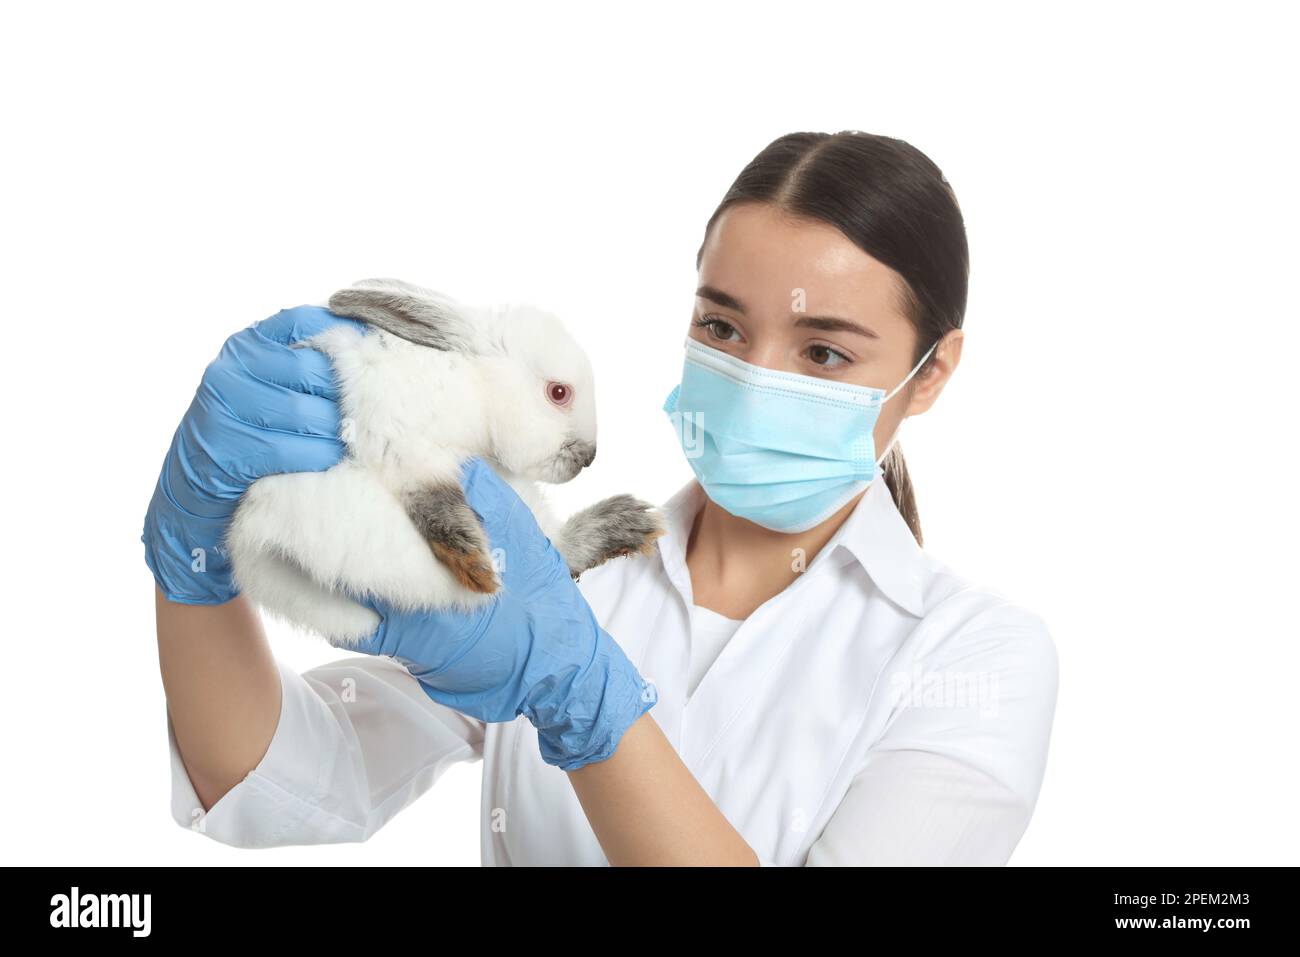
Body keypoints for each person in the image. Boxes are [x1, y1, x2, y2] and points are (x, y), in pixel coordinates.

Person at [145, 130, 1059, 866]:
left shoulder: (977, 657)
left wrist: (586, 698)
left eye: (823, 351)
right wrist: (194, 556)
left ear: (932, 372)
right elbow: (279, 777)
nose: (750, 378)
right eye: (722, 325)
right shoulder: (556, 561)